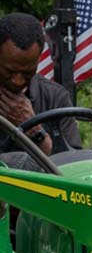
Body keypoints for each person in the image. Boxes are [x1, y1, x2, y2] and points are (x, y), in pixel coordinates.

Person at [0, 12, 81, 165]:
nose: (18, 81)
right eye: (9, 71)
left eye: (27, 72)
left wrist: (34, 130)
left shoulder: (55, 97)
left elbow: (73, 165)